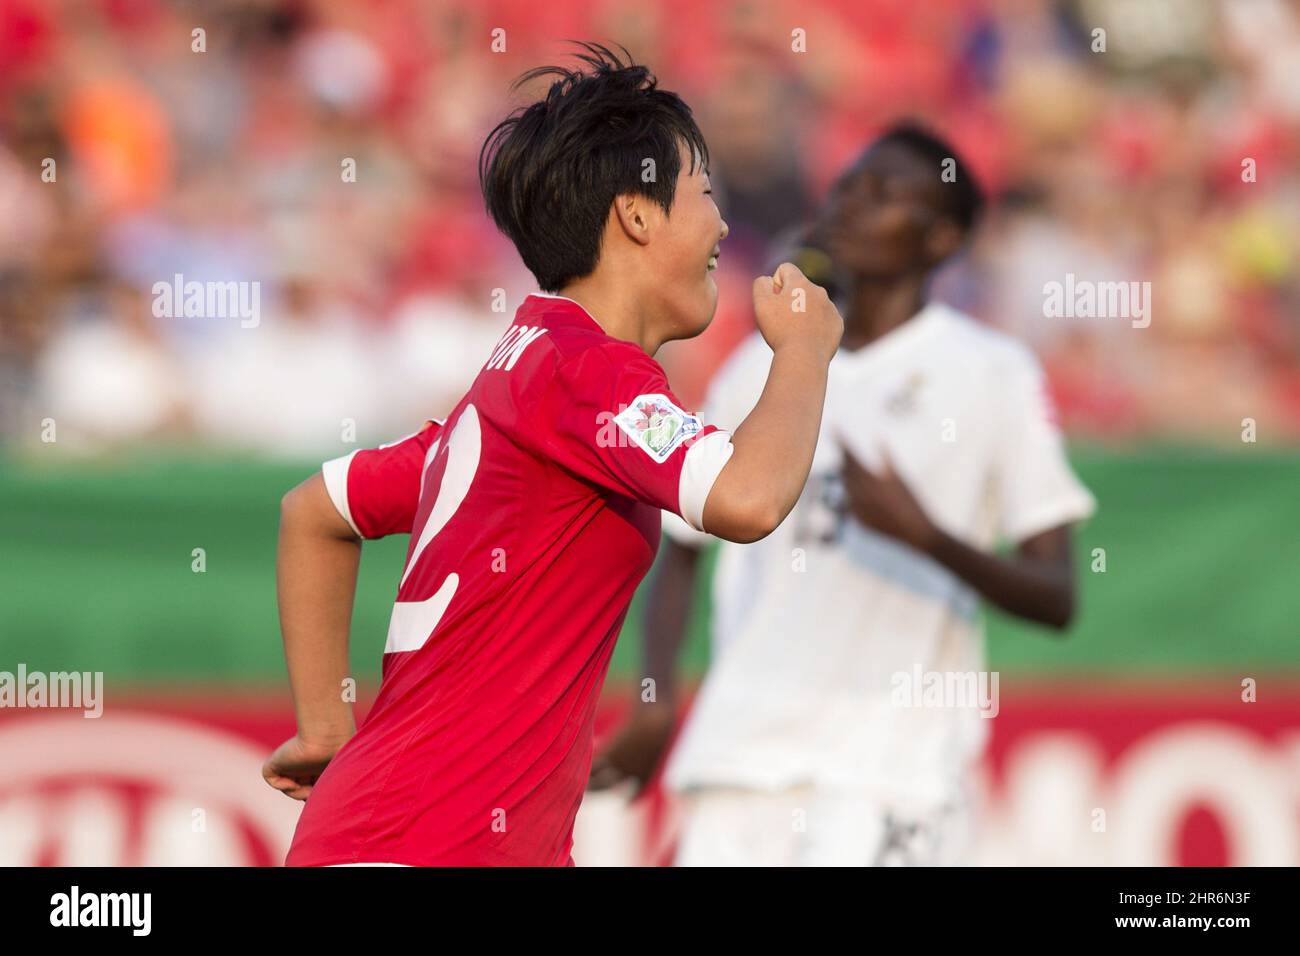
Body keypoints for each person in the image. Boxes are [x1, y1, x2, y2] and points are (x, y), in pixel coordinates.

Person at [261, 43, 842, 866]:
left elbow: (316, 509)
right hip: (426, 845)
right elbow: (748, 499)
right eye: (704, 193)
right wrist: (806, 352)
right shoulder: (582, 372)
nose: (719, 224)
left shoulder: (526, 375)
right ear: (638, 214)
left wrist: (328, 729)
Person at [589, 124, 1096, 866]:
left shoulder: (993, 374)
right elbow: (684, 549)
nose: (852, 203)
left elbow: (1056, 595)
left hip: (891, 773)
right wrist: (657, 697)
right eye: (850, 184)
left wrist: (927, 537)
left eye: (885, 194)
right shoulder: (763, 361)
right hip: (741, 763)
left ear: (942, 239)